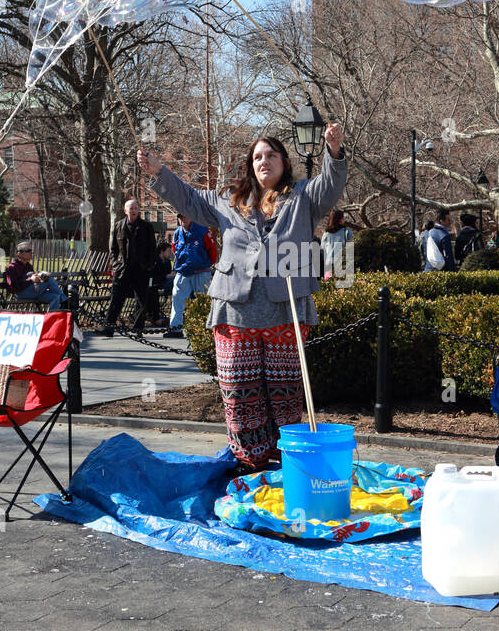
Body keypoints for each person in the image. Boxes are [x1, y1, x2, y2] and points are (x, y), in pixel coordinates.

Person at [138, 123, 348, 472]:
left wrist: (334, 151)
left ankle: (287, 467)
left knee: (285, 396)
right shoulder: (226, 201)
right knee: (240, 395)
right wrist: (159, 170)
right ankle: (249, 464)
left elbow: (331, 183)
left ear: (283, 161)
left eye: (271, 155)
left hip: (286, 310)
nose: (264, 161)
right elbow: (188, 198)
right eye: (257, 156)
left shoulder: (304, 197)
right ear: (251, 164)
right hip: (234, 312)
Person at [103, 199, 158, 336]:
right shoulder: (118, 226)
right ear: (125, 210)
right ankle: (109, 327)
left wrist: (148, 266)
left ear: (138, 210)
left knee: (141, 299)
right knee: (116, 298)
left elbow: (152, 249)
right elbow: (113, 249)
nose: (133, 210)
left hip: (140, 269)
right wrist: (116, 264)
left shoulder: (146, 227)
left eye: (135, 208)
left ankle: (138, 328)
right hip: (122, 269)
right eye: (131, 208)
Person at [166, 214, 216, 338]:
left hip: (201, 272)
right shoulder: (177, 233)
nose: (183, 219)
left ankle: (205, 329)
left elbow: (212, 251)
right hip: (183, 272)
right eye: (180, 217)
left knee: (203, 301)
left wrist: (206, 265)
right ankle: (175, 328)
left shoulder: (202, 231)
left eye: (185, 216)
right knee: (177, 300)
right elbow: (175, 250)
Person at [5, 240, 65, 311]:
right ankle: (65, 301)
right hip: (21, 293)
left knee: (55, 297)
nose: (31, 252)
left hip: (34, 292)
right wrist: (31, 280)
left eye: (31, 251)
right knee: (50, 280)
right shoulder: (11, 267)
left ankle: (51, 319)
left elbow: (34, 280)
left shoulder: (28, 266)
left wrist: (40, 277)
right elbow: (14, 286)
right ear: (19, 254)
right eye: (28, 250)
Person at [321, 209, 355, 280]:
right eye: (342, 218)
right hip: (342, 263)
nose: (343, 220)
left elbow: (323, 249)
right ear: (339, 219)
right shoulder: (346, 231)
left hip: (328, 264)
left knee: (329, 286)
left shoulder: (326, 234)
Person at [147, 241, 174, 323]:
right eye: (169, 251)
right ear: (162, 251)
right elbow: (153, 276)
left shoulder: (167, 262)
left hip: (166, 283)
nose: (170, 253)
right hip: (157, 284)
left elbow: (169, 273)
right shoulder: (155, 261)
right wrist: (166, 276)